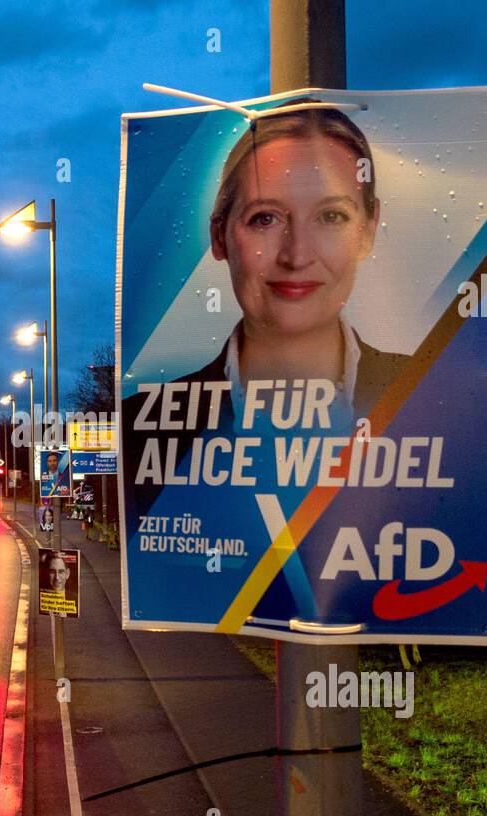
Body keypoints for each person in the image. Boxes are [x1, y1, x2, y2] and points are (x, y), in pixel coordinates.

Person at [123, 102, 409, 510]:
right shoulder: (142, 426)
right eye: (265, 219)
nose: (296, 255)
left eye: (331, 216)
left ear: (368, 229)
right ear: (220, 237)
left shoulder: (435, 401)